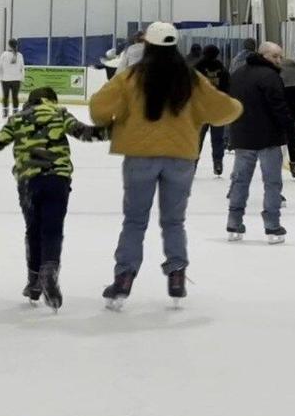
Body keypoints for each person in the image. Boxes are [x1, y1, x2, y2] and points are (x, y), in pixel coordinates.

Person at [88, 21, 242, 310]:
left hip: (139, 157)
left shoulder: (131, 77)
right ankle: (176, 275)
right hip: (181, 157)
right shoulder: (191, 80)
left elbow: (99, 109)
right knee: (174, 221)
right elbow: (224, 109)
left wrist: (115, 120)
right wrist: (227, 110)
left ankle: (124, 279)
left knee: (134, 221)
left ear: (147, 45)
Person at [0, 87, 109, 312]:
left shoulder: (17, 118)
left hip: (29, 183)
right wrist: (116, 130)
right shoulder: (59, 113)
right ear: (51, 99)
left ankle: (34, 282)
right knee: (52, 230)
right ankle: (49, 270)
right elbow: (84, 133)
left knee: (33, 230)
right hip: (57, 180)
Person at [226, 41, 295, 244]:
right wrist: (291, 130)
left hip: (243, 136)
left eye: (280, 56)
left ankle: (234, 220)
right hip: (268, 138)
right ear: (263, 55)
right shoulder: (270, 76)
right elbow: (279, 107)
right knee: (272, 182)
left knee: (240, 180)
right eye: (275, 56)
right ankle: (272, 224)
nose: (279, 60)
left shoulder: (238, 74)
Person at [194, 44, 230, 177]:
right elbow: (227, 88)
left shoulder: (197, 67)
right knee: (218, 138)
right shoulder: (222, 68)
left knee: (198, 137)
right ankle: (218, 162)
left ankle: (193, 163)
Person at [0, 38, 26, 118]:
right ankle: (15, 112)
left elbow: (0, 66)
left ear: (9, 45)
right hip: (16, 80)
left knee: (5, 96)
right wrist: (22, 78)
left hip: (5, 79)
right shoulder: (19, 55)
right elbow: (22, 68)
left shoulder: (4, 54)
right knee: (15, 97)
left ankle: (5, 112)